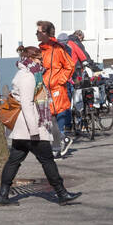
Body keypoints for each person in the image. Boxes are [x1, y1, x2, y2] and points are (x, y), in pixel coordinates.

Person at [0, 45, 79, 207]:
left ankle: (3, 196)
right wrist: (34, 130)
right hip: (30, 128)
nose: (42, 61)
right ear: (31, 59)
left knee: (14, 161)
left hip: (22, 130)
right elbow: (27, 104)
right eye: (40, 59)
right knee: (47, 160)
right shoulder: (28, 77)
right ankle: (62, 194)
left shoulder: (26, 74)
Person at [36, 20, 75, 156]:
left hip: (55, 88)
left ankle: (59, 144)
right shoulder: (41, 49)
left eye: (39, 32)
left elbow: (70, 65)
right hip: (44, 89)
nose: (36, 34)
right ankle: (58, 144)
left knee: (53, 116)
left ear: (46, 33)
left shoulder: (57, 48)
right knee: (47, 117)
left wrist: (59, 81)